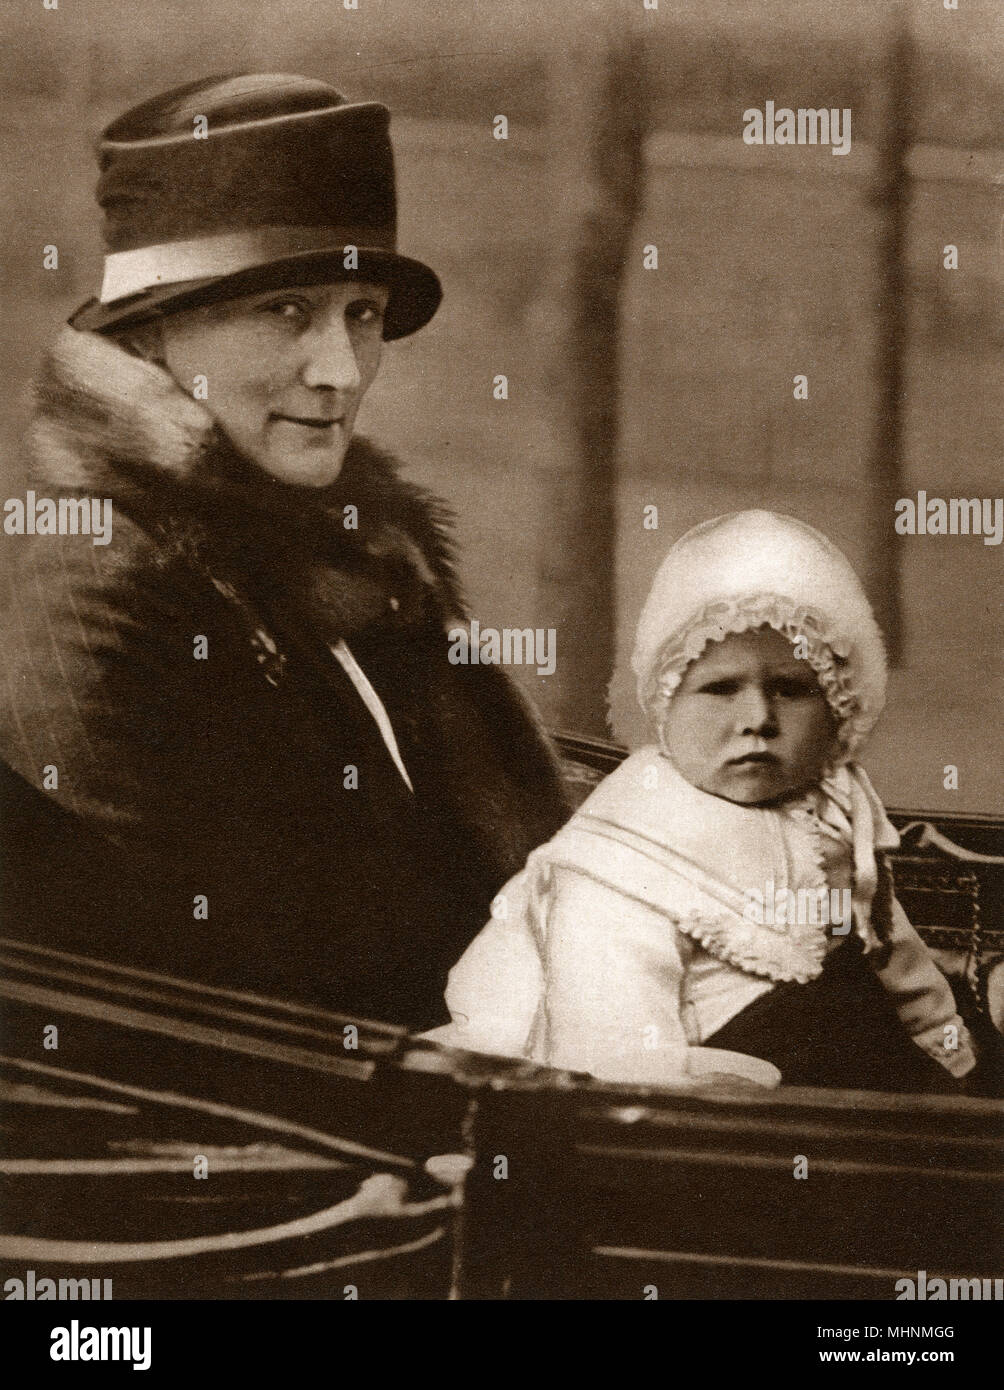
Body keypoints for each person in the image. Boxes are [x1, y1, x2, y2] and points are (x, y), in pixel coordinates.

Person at [0, 73, 569, 1030]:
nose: (340, 373)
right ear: (152, 332)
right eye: (285, 312)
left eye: (362, 314)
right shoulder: (87, 576)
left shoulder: (354, 557)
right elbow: (147, 991)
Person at [434, 511, 977, 1090]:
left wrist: (955, 1059)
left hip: (844, 1043)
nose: (758, 721)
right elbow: (610, 1047)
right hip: (705, 1078)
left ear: (838, 709)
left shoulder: (833, 811)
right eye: (720, 689)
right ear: (668, 706)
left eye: (791, 690)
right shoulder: (623, 858)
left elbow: (897, 961)